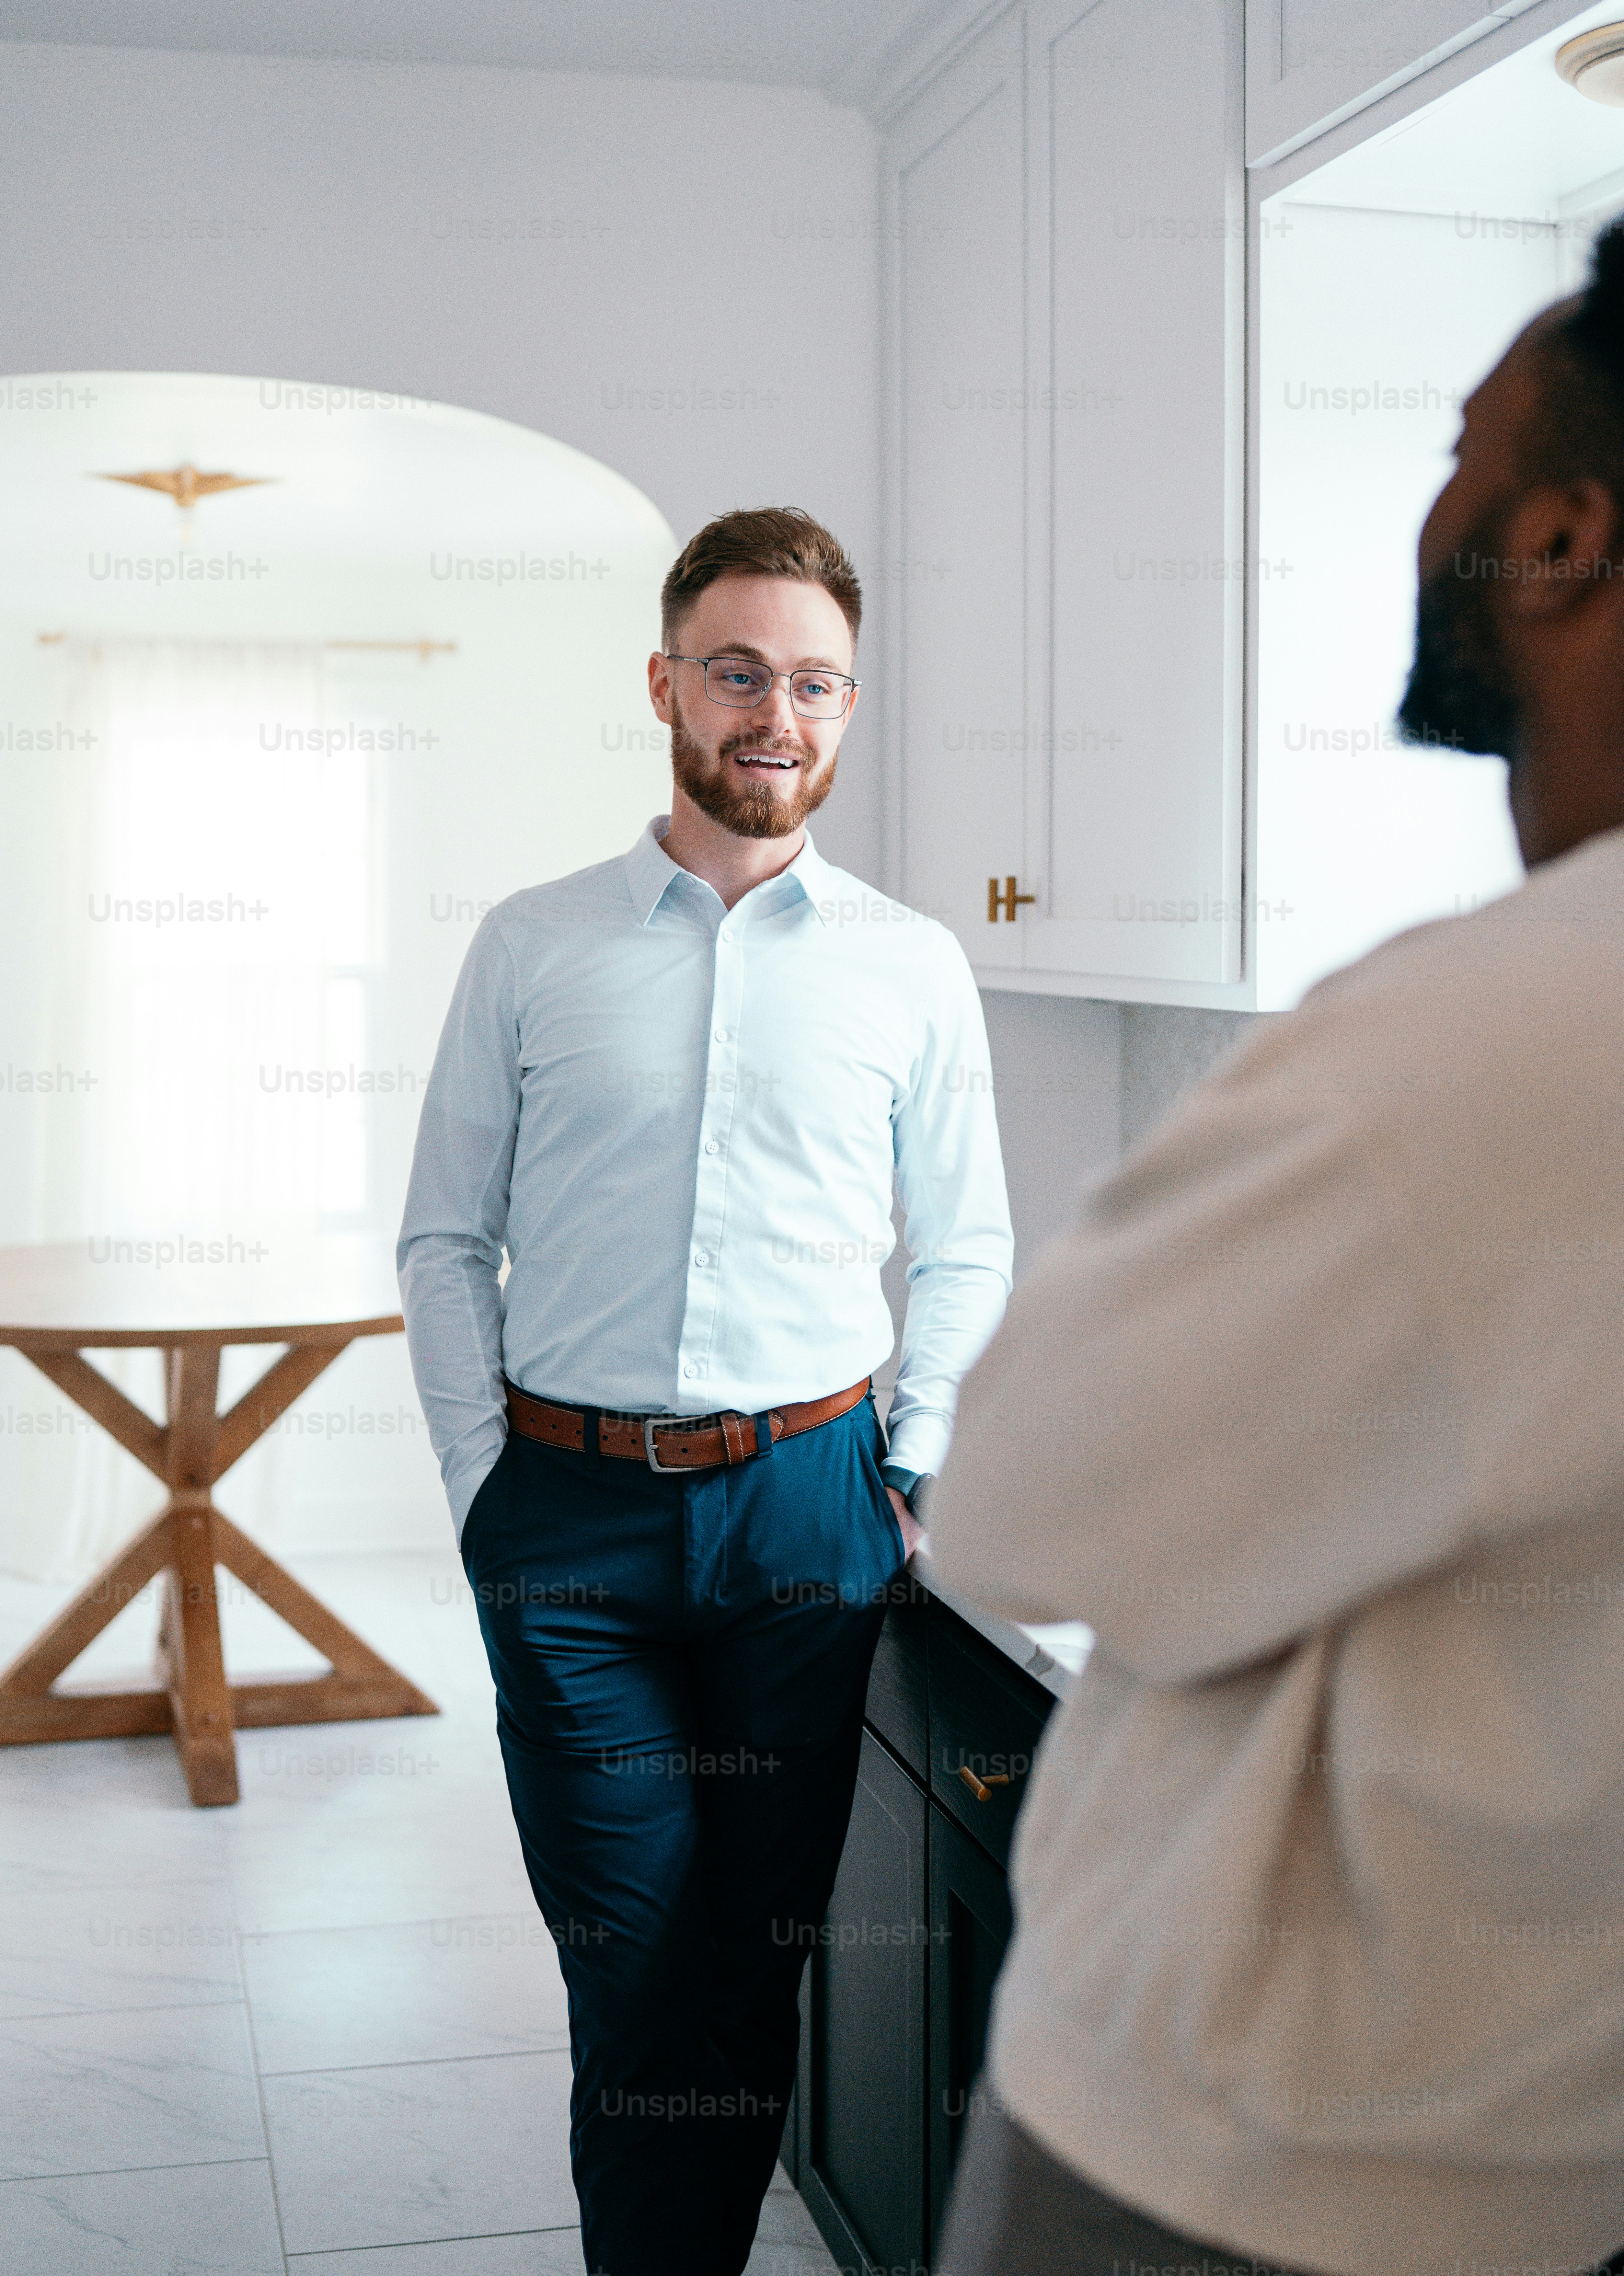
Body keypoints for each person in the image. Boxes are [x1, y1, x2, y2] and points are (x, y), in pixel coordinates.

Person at [931, 204, 1624, 2276]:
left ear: (1556, 540)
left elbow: (1013, 1503)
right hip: (1568, 2141)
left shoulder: (1488, 1034)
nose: (1425, 507)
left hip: (1249, 2168)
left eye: (1460, 451)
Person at [397, 506, 1012, 2276]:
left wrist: (913, 1458)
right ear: (666, 684)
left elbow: (968, 1245)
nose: (778, 715)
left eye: (817, 682)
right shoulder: (530, 944)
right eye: (739, 672)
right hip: (570, 1531)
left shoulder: (910, 963)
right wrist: (480, 1493)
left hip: (809, 1523)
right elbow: (446, 1244)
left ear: (847, 705)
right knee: (636, 1952)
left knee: (748, 1967)